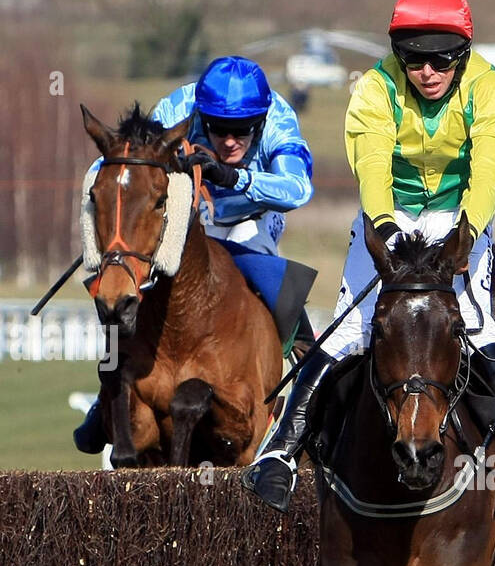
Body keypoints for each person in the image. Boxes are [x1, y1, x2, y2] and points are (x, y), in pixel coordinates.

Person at [242, 0, 495, 513]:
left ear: (464, 54)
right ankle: (281, 452)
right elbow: (373, 156)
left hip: (460, 212)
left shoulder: (489, 89)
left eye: (442, 61)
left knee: (472, 315)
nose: (427, 72)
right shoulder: (377, 87)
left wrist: (469, 228)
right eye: (413, 60)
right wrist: (382, 224)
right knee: (350, 328)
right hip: (390, 214)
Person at [74, 55, 316, 454]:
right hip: (190, 213)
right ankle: (109, 392)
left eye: (242, 131)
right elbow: (120, 161)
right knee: (137, 285)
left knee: (252, 259)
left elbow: (298, 188)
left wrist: (234, 176)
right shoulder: (178, 108)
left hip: (252, 214)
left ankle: (304, 364)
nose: (230, 141)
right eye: (219, 129)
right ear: (203, 113)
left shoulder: (279, 115)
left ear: (260, 120)